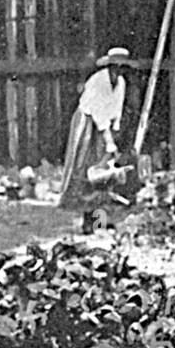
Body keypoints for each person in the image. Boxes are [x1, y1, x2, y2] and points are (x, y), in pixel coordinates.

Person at [59, 46, 131, 227]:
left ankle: (100, 218)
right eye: (115, 66)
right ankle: (86, 220)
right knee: (85, 166)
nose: (118, 70)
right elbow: (98, 114)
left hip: (104, 126)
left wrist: (114, 134)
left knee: (103, 171)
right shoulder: (98, 81)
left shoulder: (121, 83)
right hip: (87, 124)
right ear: (110, 66)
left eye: (122, 67)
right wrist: (108, 141)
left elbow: (117, 111)